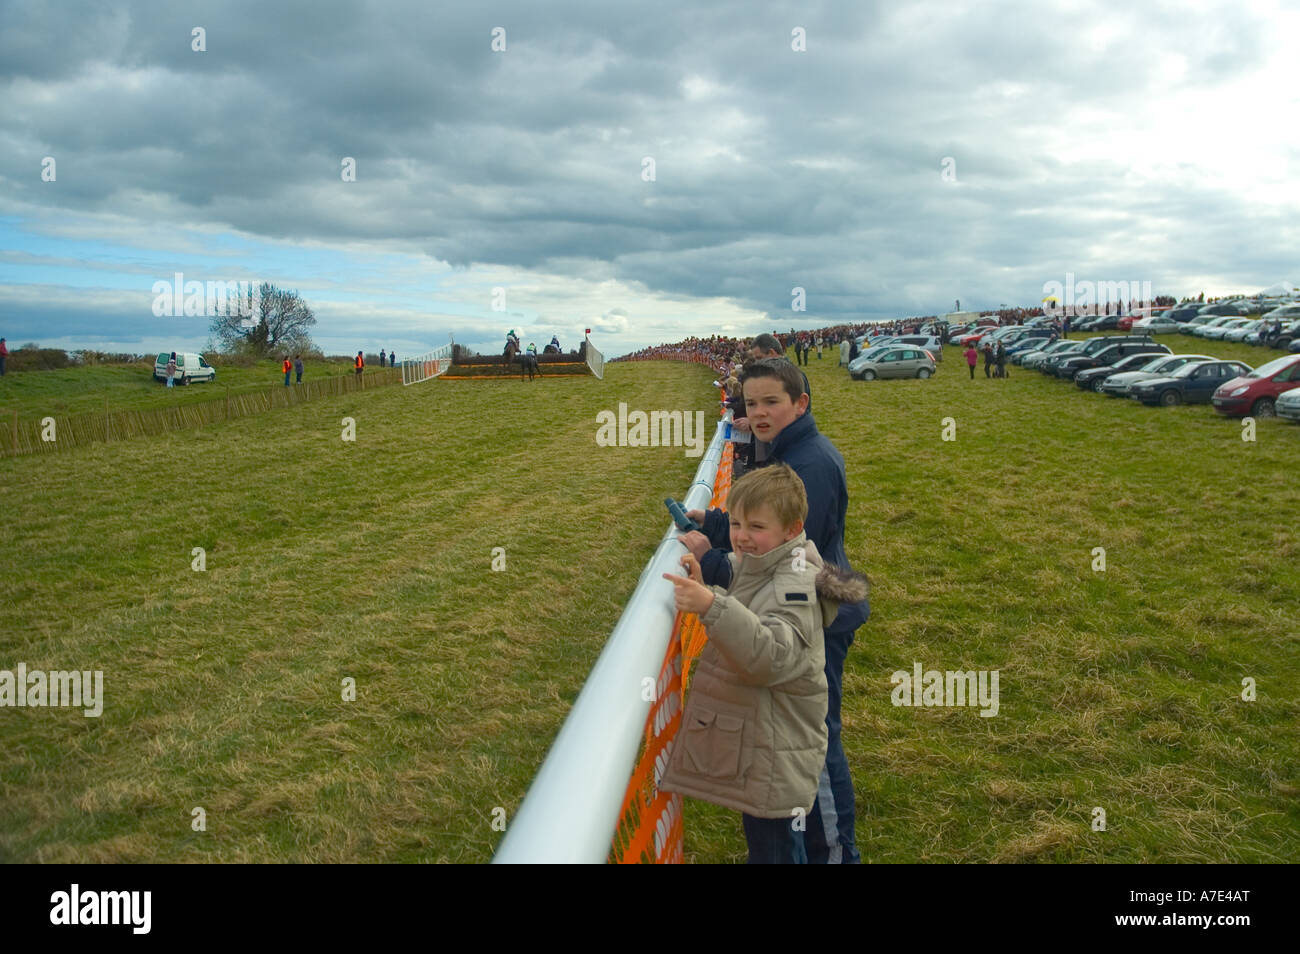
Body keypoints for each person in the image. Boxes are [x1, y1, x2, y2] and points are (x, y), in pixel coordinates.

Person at [678, 358, 870, 864]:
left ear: (800, 403)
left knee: (813, 748)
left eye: (771, 402)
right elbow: (763, 529)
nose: (758, 413)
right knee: (806, 743)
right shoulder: (788, 451)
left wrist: (714, 564)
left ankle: (834, 852)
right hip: (800, 615)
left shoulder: (808, 464)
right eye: (751, 403)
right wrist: (720, 525)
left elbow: (778, 549)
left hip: (810, 625)